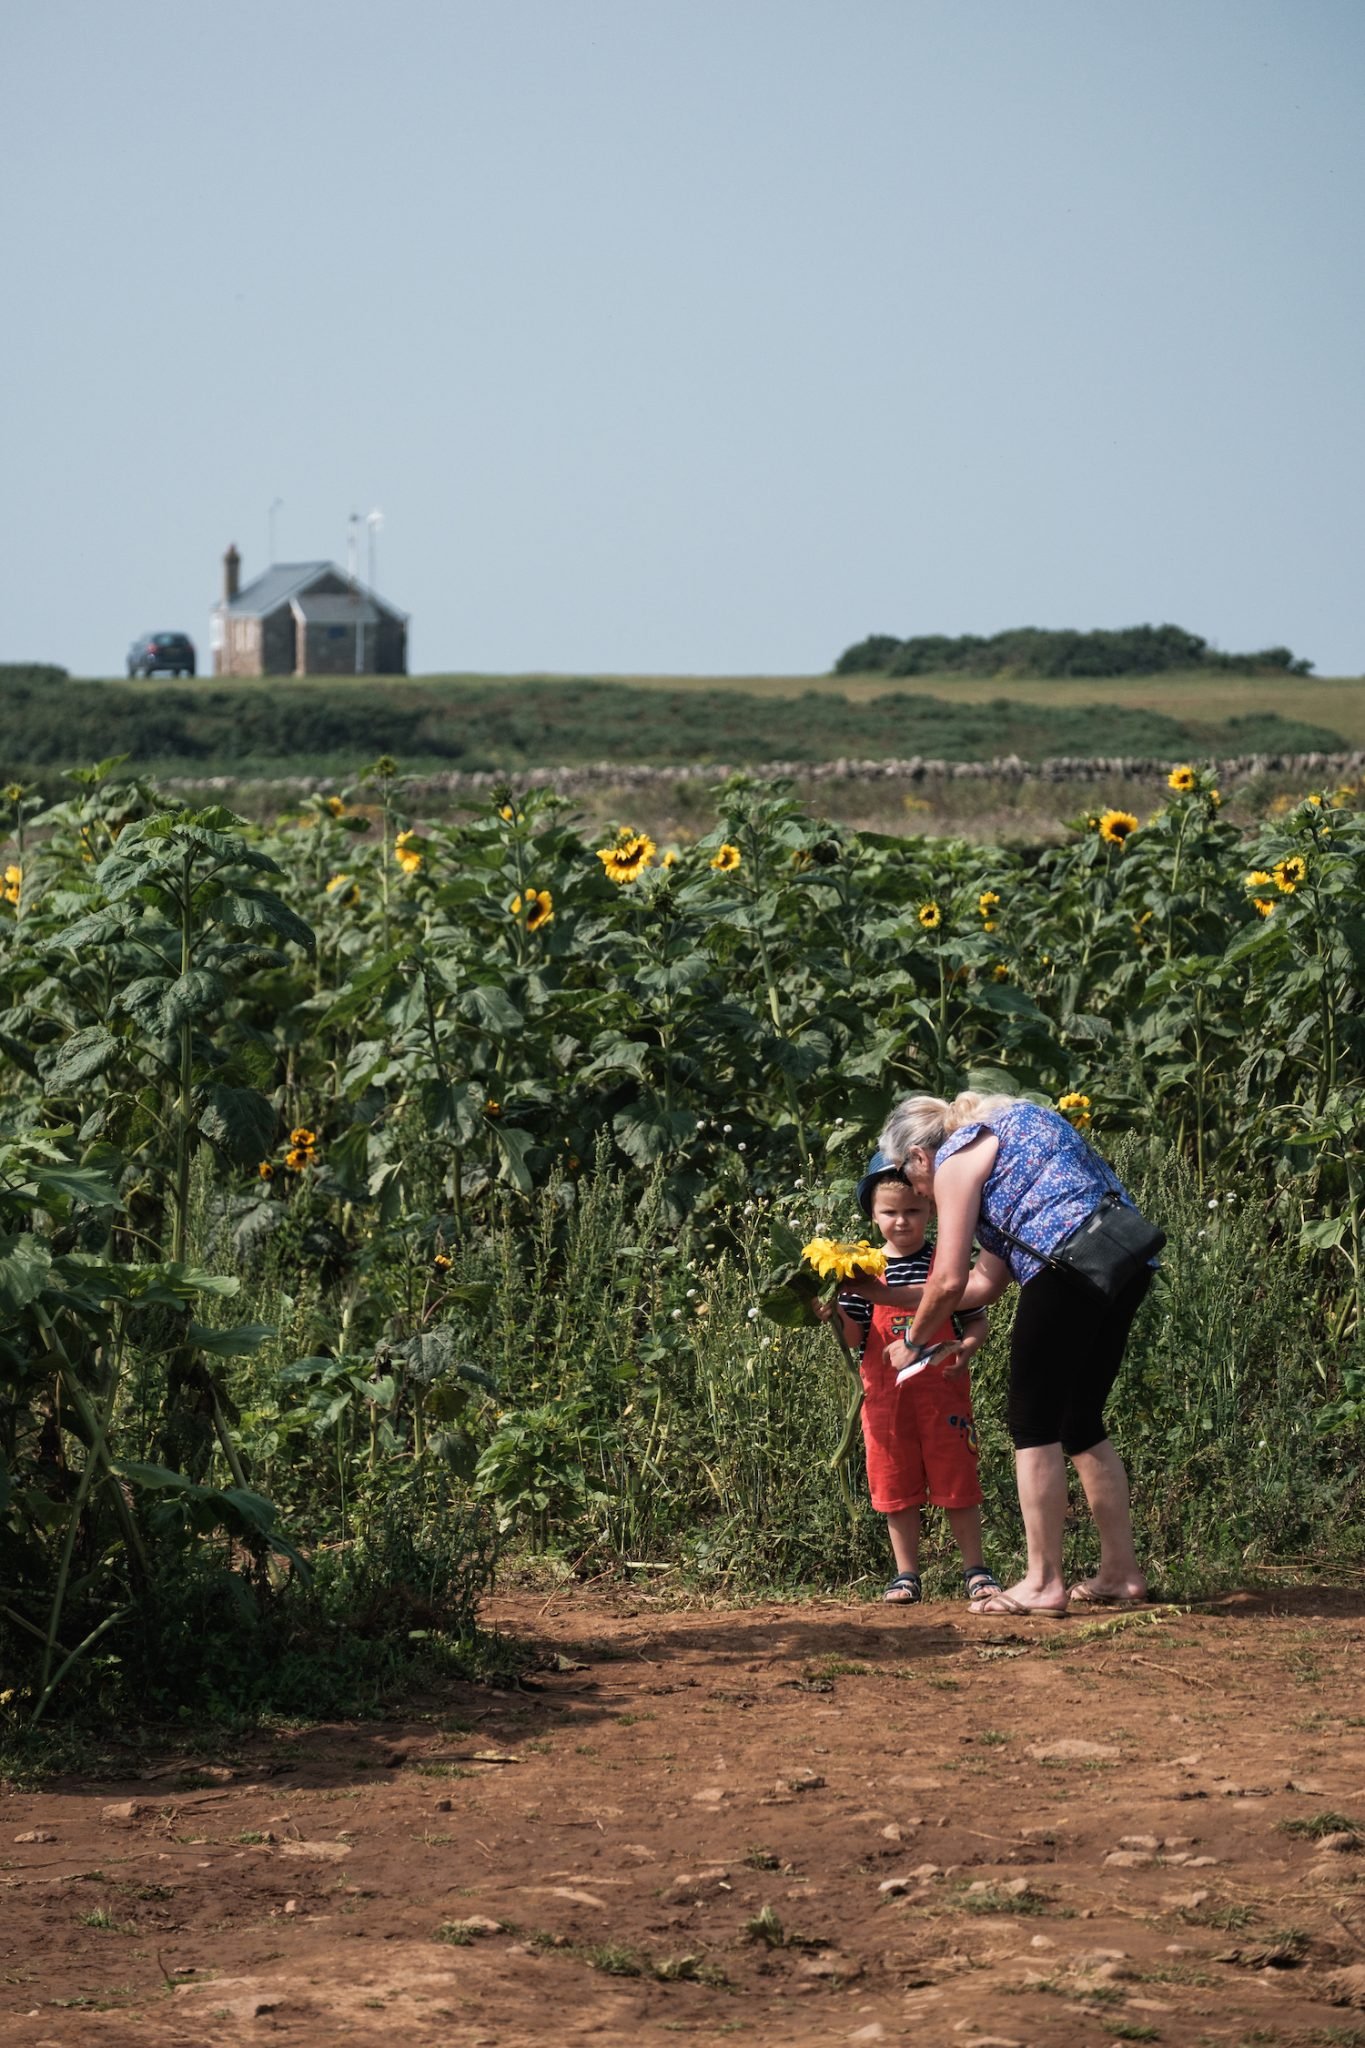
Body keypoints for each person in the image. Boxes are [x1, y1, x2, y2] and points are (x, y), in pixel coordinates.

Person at [876, 1090, 1154, 1617]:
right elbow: (980, 1285)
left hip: (1065, 1266)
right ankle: (1121, 1574)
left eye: (913, 1182)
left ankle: (1043, 1581)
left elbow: (949, 1277)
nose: (921, 1195)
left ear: (919, 1157)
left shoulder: (956, 1159)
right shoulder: (1011, 1129)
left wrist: (912, 1342)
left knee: (1032, 1424)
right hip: (1121, 1258)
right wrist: (883, 1295)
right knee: (1080, 1419)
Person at [831, 1153, 1000, 1607]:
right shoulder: (864, 1272)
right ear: (872, 1214)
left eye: (913, 1211)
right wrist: (832, 1313)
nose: (902, 1222)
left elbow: (976, 1320)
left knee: (957, 1478)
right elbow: (854, 1337)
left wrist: (968, 1348)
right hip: (885, 1400)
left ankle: (976, 1570)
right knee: (893, 1482)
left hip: (943, 1393)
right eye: (890, 1212)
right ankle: (906, 1574)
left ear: (932, 1209)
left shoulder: (944, 1264)